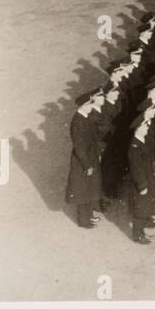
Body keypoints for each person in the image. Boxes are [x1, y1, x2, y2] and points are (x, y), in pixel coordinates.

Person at [66, 92, 105, 228]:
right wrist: (87, 165)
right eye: (91, 104)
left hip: (90, 156)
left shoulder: (85, 117)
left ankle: (89, 215)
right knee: (82, 191)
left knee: (89, 187)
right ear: (86, 104)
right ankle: (83, 220)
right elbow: (79, 147)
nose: (92, 107)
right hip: (82, 161)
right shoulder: (78, 122)